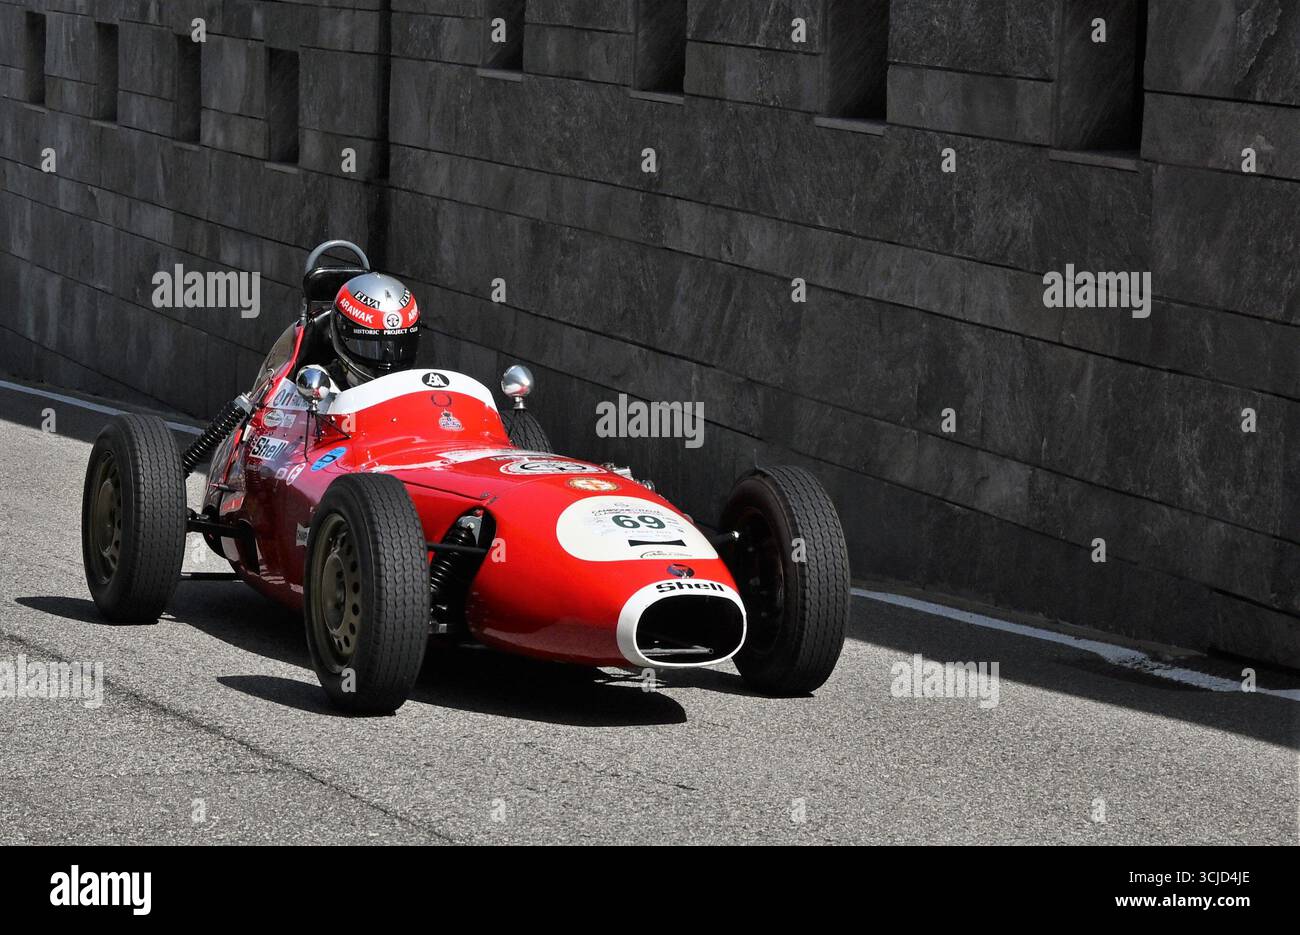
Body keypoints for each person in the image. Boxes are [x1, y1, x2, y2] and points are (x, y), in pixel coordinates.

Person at [327, 272, 422, 389]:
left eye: (397, 347)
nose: (387, 359)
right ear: (341, 337)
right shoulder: (320, 388)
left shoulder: (416, 386)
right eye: (369, 347)